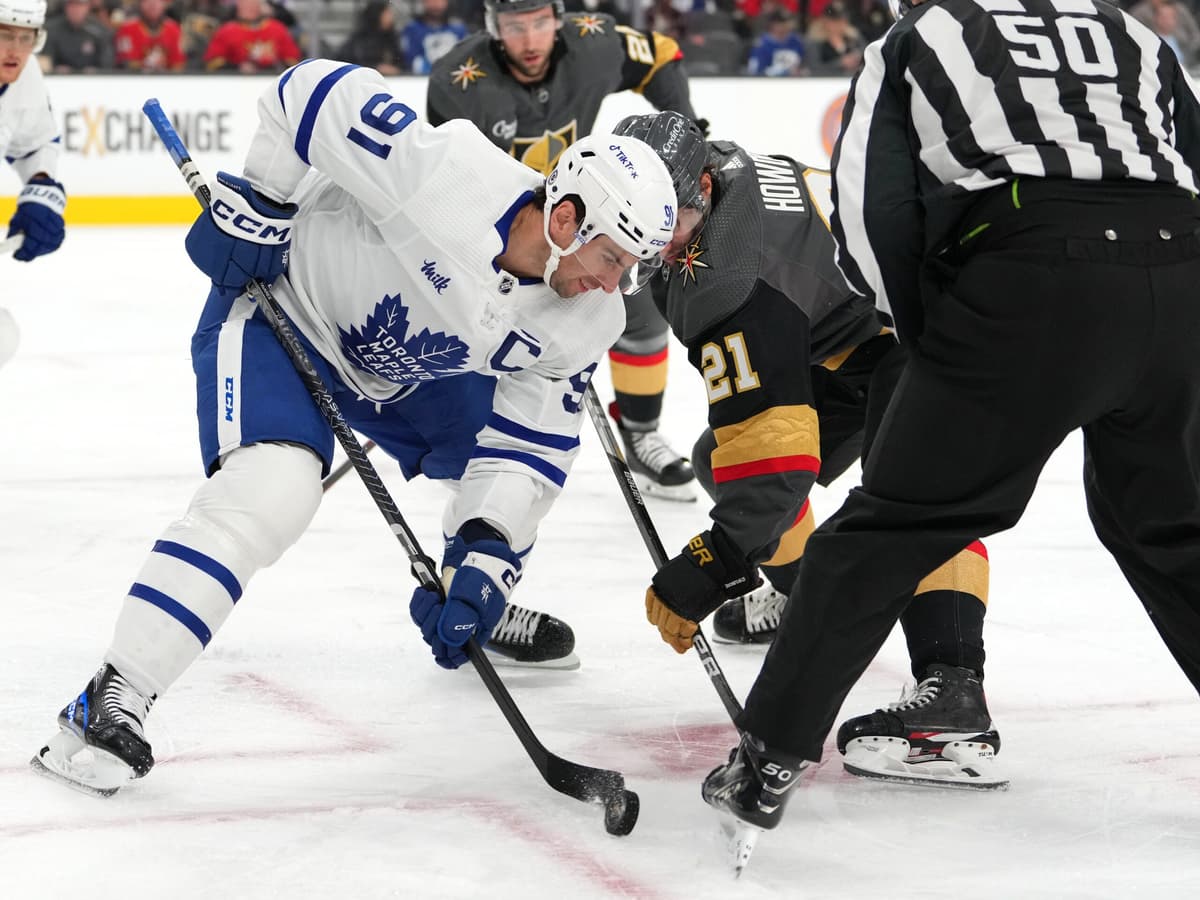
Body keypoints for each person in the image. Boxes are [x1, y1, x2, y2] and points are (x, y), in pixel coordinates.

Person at [29, 57, 677, 798]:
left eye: (630, 268)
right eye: (610, 258)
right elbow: (307, 91)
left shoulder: (590, 316)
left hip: (401, 371)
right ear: (566, 218)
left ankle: (473, 605)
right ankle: (113, 694)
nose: (613, 283)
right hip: (288, 314)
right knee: (274, 491)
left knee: (487, 461)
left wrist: (484, 559)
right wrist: (262, 204)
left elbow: (528, 448)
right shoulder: (447, 177)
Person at [701, 0, 1200, 866]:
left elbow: (866, 211)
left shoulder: (919, 35)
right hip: (1184, 275)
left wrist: (934, 336)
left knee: (892, 526)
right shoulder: (1131, 30)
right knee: (1174, 532)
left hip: (1031, 273)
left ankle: (766, 760)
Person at [617, 109, 1001, 791]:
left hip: (948, 327)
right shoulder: (721, 174)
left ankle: (954, 693)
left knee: (917, 492)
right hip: (874, 334)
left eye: (663, 217)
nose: (648, 239)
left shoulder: (727, 273)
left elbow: (775, 466)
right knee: (721, 458)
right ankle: (808, 608)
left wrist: (713, 565)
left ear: (701, 189)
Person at [428, 0, 700, 506]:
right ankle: (465, 431)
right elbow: (446, 180)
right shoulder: (457, 80)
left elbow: (661, 54)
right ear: (494, 29)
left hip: (584, 226)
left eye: (538, 24)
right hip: (503, 237)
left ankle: (641, 434)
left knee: (636, 305)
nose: (529, 41)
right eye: (514, 27)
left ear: (558, 19)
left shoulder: (593, 42)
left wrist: (687, 140)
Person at [1, 0, 66, 370]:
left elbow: (36, 143)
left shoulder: (24, 79)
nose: (16, 50)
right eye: (6, 35)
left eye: (26, 38)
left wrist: (40, 186)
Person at [203, 0, 299, 73]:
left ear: (261, 7)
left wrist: (275, 67)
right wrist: (237, 68)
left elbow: (292, 61)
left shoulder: (277, 29)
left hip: (271, 80)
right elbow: (213, 62)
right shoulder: (227, 31)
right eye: (243, 4)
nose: (245, 8)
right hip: (236, 82)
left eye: (250, 4)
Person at [39, 0, 114, 72]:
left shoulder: (99, 31)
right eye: (72, 5)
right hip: (60, 80)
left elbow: (107, 62)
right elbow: (45, 60)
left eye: (80, 5)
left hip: (92, 81)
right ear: (66, 7)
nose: (75, 10)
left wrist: (97, 71)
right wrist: (55, 68)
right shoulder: (52, 29)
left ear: (87, 7)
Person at [113, 0, 185, 72]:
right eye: (147, 1)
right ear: (140, 4)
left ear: (165, 4)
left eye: (158, 1)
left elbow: (178, 64)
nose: (152, 5)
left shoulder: (173, 29)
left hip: (167, 80)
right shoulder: (127, 29)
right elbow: (128, 64)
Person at [401, 0, 467, 74]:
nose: (436, 4)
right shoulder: (413, 29)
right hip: (421, 80)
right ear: (423, 2)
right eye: (431, 0)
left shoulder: (459, 29)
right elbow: (411, 62)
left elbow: (466, 60)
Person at [338, 0, 403, 75]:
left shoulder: (392, 38)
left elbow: (401, 63)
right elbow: (351, 63)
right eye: (387, 13)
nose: (391, 16)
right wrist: (377, 68)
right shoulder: (359, 40)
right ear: (377, 15)